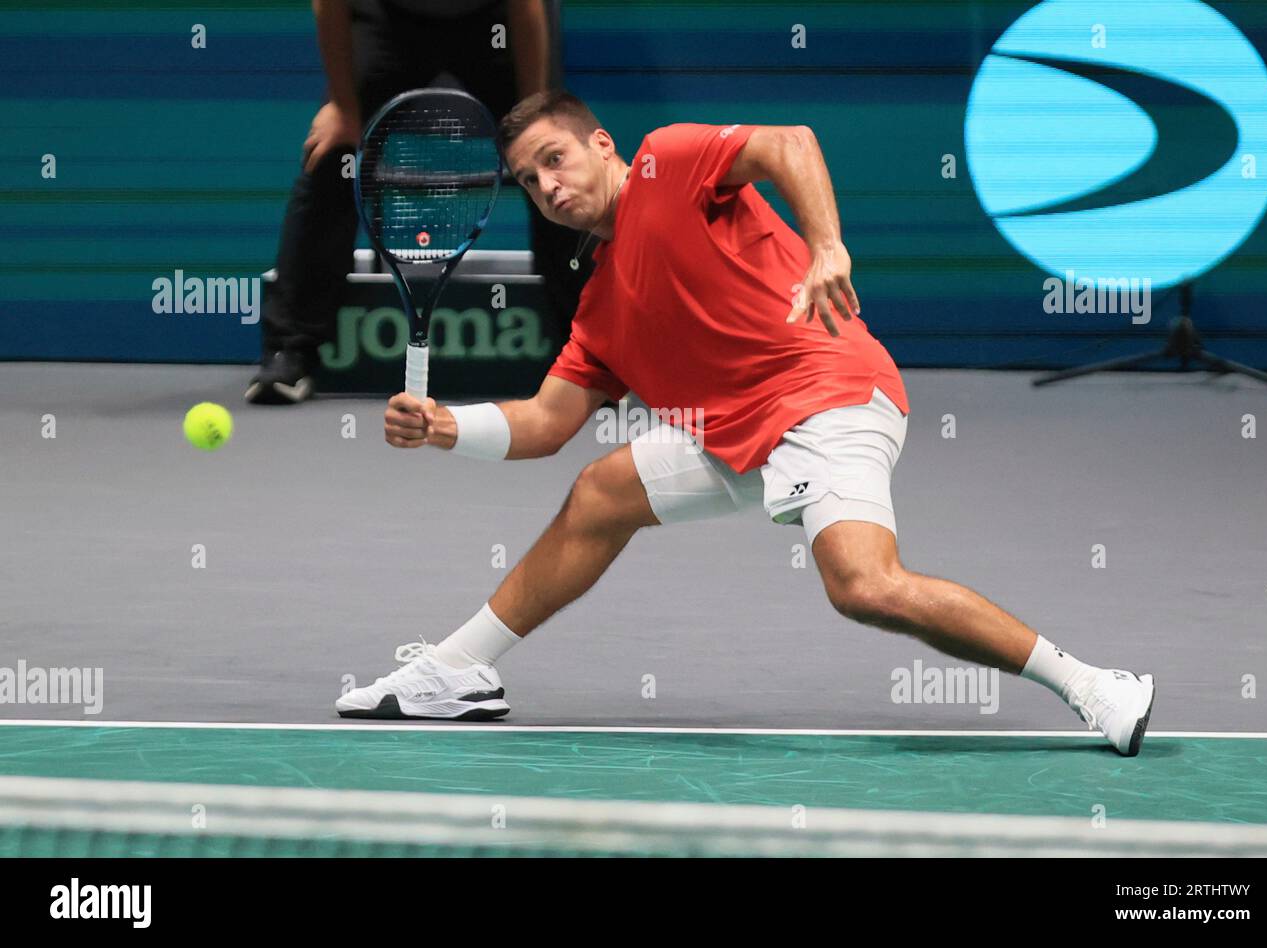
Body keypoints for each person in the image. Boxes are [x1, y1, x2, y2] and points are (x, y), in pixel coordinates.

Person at [336, 91, 1157, 756]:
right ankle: (456, 671)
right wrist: (446, 425)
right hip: (738, 433)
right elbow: (548, 422)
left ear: (604, 146)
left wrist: (827, 247)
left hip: (828, 392)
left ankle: (1093, 686)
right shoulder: (600, 305)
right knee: (598, 494)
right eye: (528, 179)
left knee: (864, 586)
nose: (547, 185)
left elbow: (789, 141)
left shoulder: (669, 160)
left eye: (555, 159)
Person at [247, 0, 590, 404]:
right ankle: (290, 349)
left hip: (493, 19)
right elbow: (330, 6)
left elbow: (526, 6)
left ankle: (587, 354)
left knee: (549, 159)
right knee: (332, 155)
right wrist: (343, 107)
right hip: (387, 18)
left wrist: (535, 121)